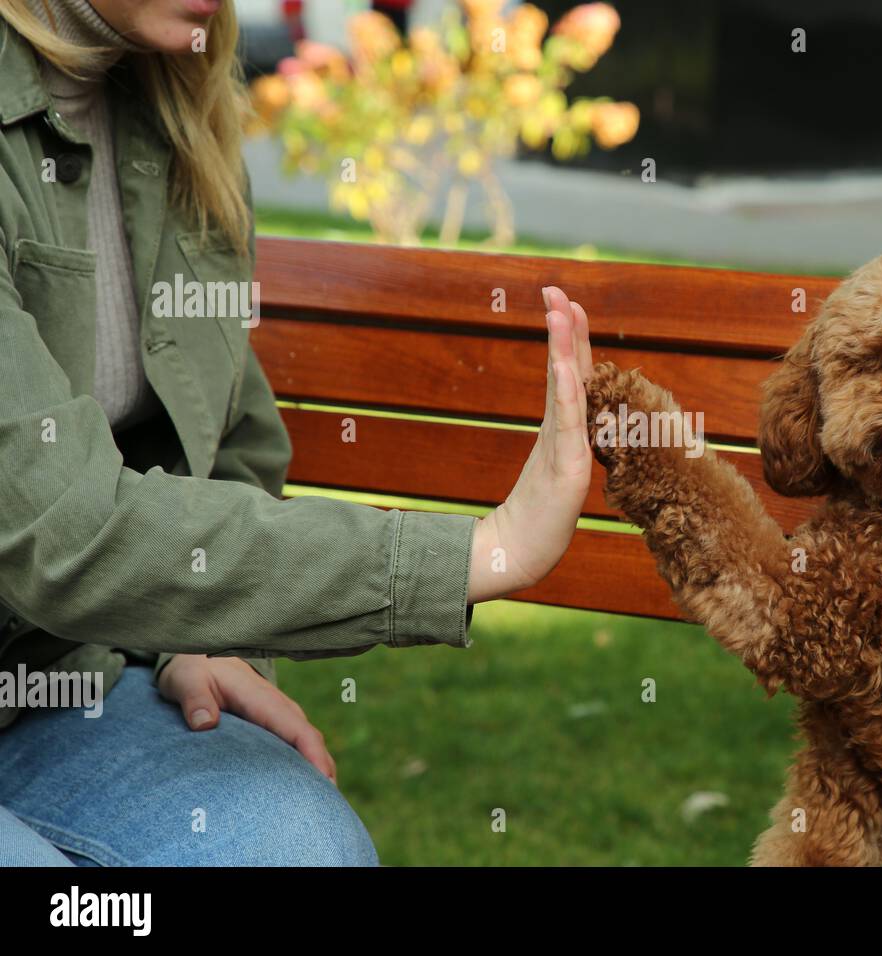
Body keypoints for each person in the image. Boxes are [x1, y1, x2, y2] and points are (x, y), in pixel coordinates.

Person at [0, 0, 593, 865]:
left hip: (62, 684)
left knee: (299, 849)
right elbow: (62, 530)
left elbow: (227, 436)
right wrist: (476, 553)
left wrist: (198, 636)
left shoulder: (176, 113)